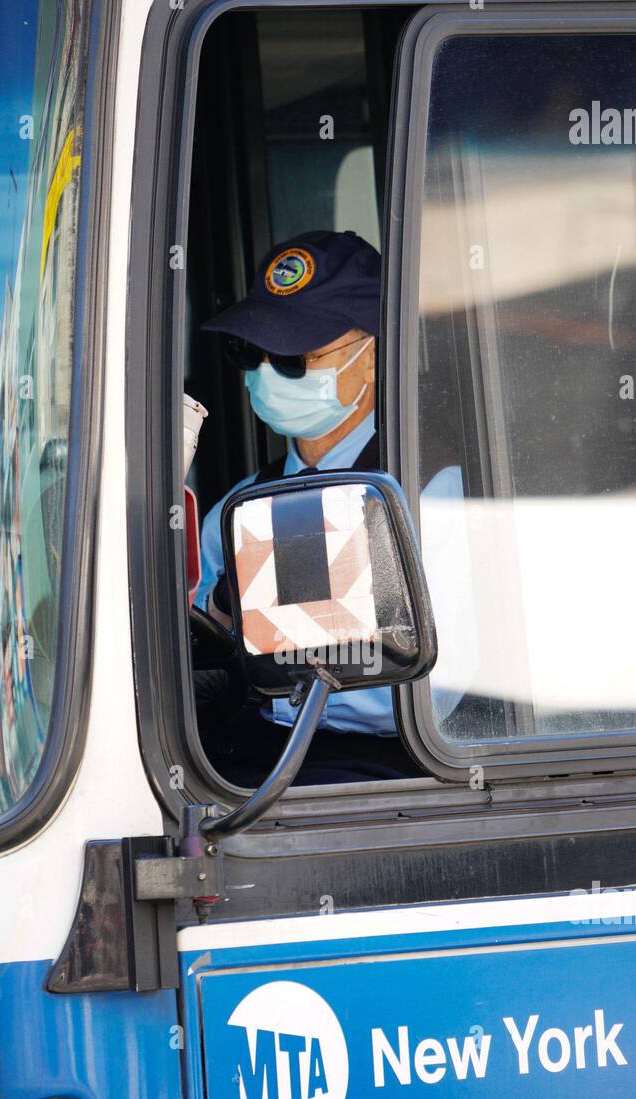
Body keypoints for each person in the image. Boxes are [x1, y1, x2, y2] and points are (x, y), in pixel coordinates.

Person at [194, 229, 423, 785]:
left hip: (390, 782)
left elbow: (450, 696)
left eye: (296, 357)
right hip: (251, 771)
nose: (268, 371)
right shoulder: (233, 511)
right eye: (251, 351)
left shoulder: (428, 494)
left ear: (371, 358)